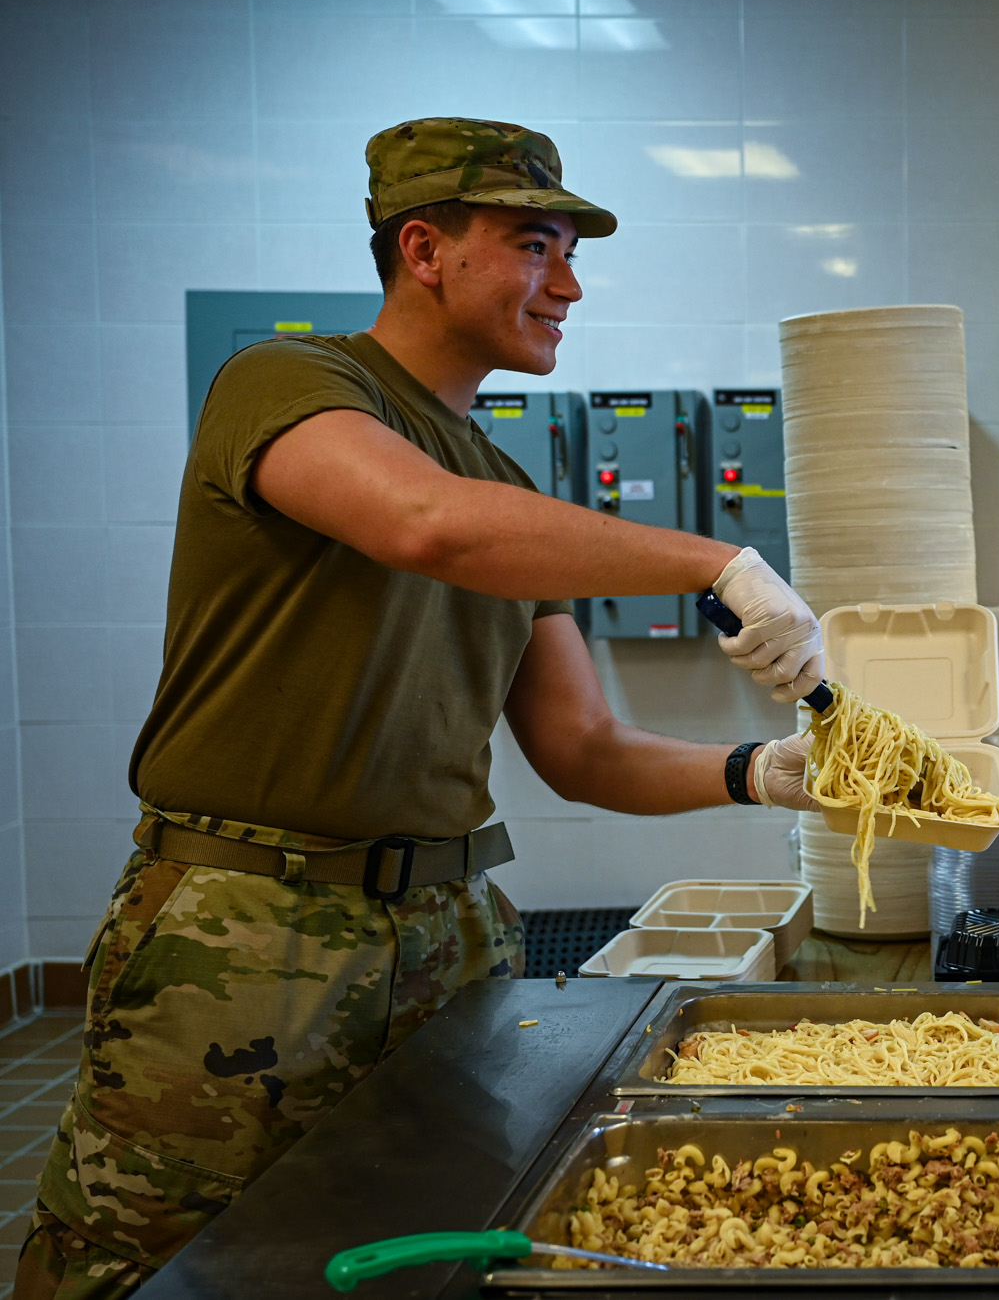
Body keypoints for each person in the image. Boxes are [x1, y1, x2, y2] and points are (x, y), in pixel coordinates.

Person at [16, 118, 828, 1298]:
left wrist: (762, 771)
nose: (569, 285)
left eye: (570, 253)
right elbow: (419, 524)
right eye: (535, 247)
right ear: (423, 248)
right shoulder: (293, 381)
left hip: (445, 927)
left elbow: (583, 746)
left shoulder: (505, 484)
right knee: (152, 1265)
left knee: (419, 1239)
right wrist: (714, 560)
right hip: (251, 932)